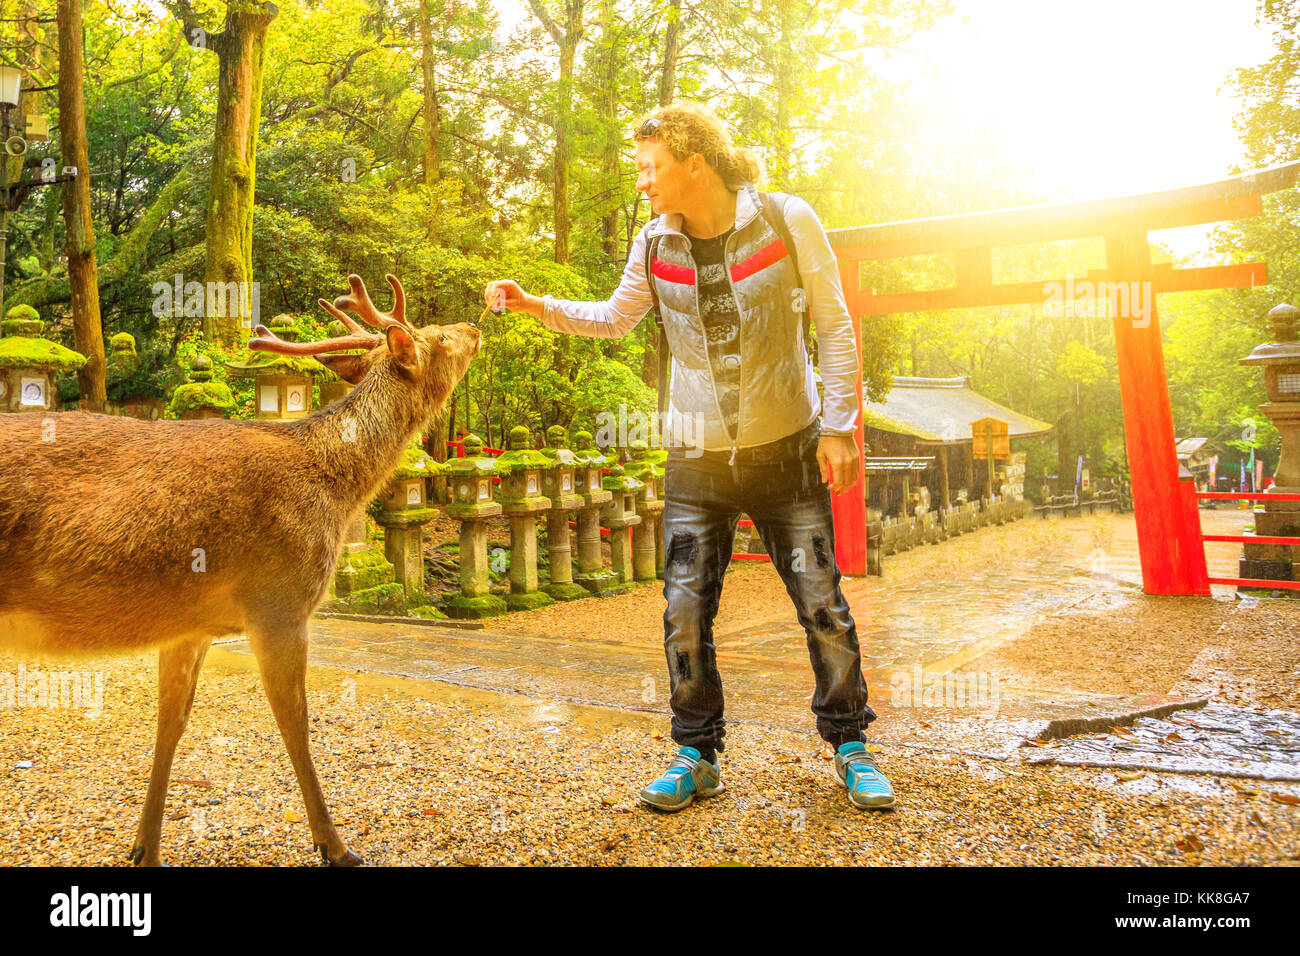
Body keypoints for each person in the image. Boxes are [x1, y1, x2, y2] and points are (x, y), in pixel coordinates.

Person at [485, 101, 893, 812]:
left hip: (787, 449)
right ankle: (695, 754)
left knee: (822, 602)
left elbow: (833, 325)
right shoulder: (653, 243)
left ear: (694, 160)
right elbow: (616, 318)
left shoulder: (787, 220)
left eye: (652, 167)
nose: (642, 182)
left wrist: (837, 425)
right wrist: (532, 305)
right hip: (696, 456)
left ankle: (850, 743)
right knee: (683, 607)